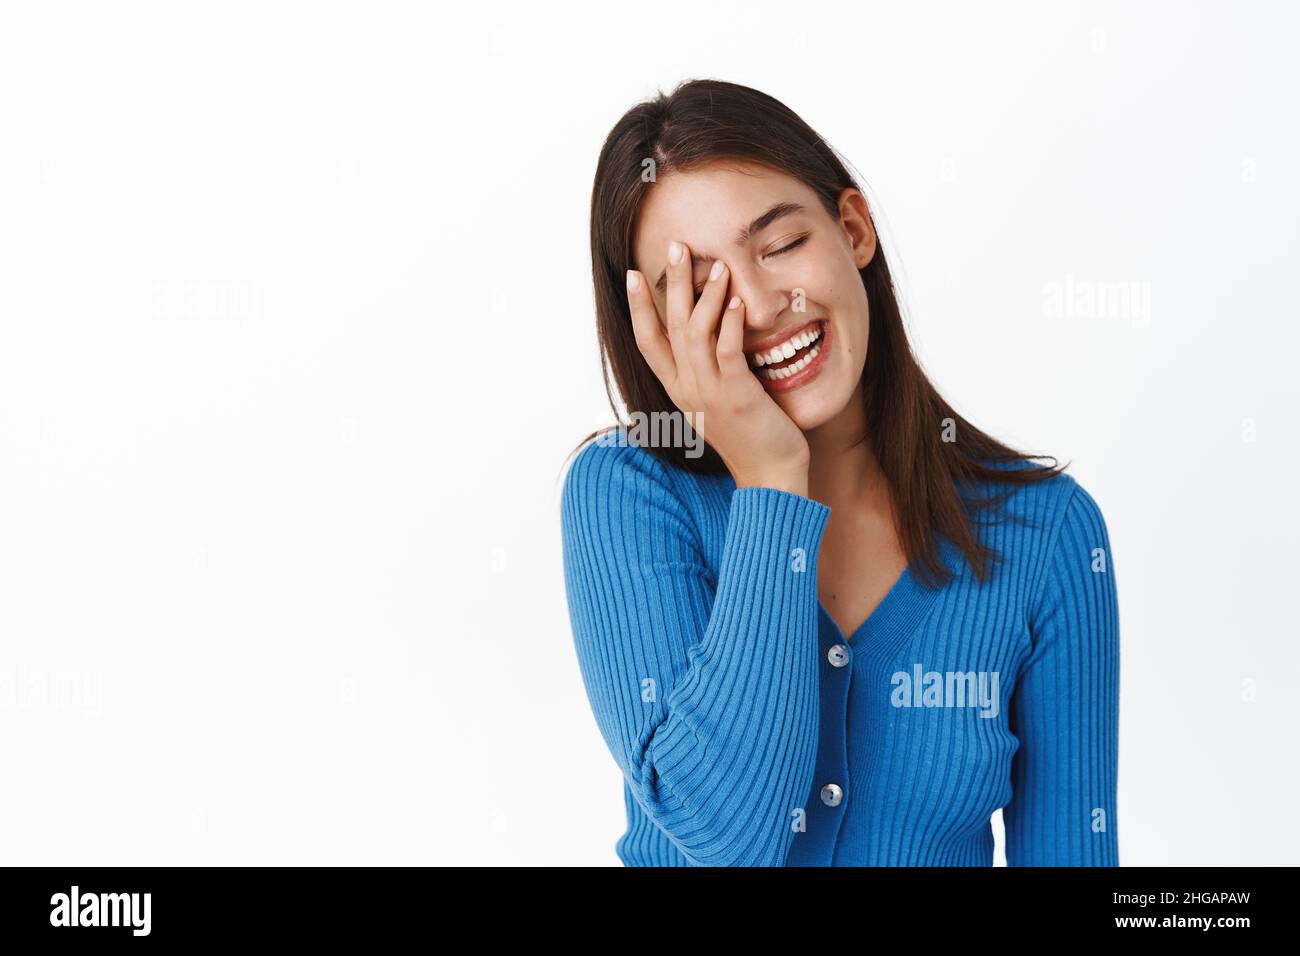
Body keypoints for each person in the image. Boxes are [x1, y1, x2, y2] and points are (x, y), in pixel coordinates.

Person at [560, 78, 1119, 867]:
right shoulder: (627, 495)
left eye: (781, 244)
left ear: (852, 229)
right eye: (698, 289)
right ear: (653, 327)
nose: (755, 306)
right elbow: (729, 839)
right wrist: (769, 481)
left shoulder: (1047, 535)